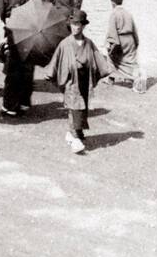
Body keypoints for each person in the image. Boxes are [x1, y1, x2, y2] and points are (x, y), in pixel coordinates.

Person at [47, 9, 114, 154]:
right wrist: (51, 73)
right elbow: (57, 61)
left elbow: (98, 59)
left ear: (84, 26)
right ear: (70, 24)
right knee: (74, 107)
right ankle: (74, 137)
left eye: (79, 24)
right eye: (74, 24)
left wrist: (107, 68)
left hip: (84, 79)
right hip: (71, 80)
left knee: (82, 107)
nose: (76, 27)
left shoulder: (88, 43)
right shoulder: (65, 44)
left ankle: (74, 132)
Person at [0, 0, 33, 116]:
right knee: (21, 70)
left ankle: (10, 104)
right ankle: (17, 103)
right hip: (23, 32)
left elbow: (1, 13)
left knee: (13, 70)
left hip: (12, 30)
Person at [103, 0, 144, 90]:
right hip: (130, 39)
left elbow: (112, 30)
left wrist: (112, 44)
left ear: (112, 2)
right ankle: (135, 79)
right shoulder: (128, 13)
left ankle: (111, 79)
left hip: (120, 39)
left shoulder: (114, 14)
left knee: (111, 57)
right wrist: (136, 42)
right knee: (130, 60)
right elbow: (134, 29)